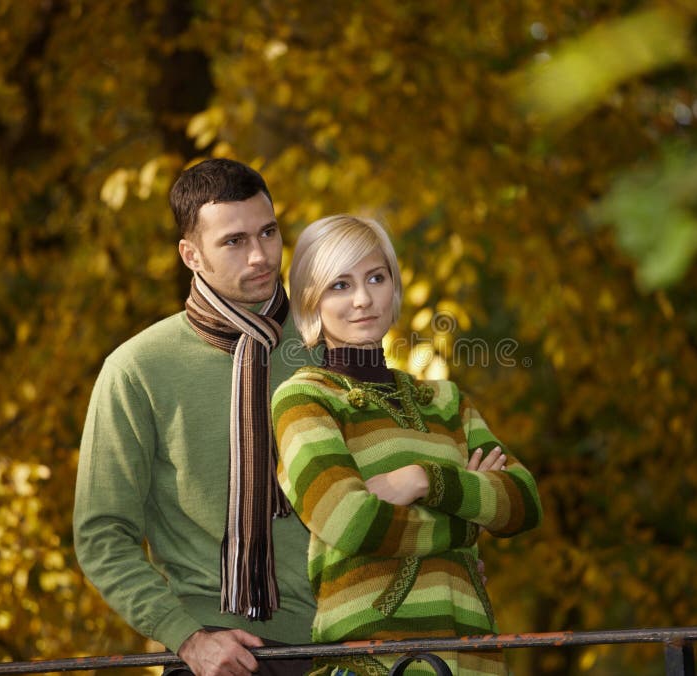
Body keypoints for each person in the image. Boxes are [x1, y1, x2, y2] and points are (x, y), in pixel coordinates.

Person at [73, 158, 317, 676]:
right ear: (192, 255)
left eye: (268, 232)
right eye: (234, 241)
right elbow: (102, 533)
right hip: (219, 654)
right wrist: (184, 637)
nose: (260, 256)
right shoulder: (137, 369)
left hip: (346, 639)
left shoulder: (329, 343)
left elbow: (381, 482)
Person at [271, 215, 543, 676]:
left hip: (472, 659)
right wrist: (466, 525)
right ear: (311, 301)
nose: (363, 299)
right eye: (340, 285)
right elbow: (350, 521)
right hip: (373, 660)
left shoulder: (446, 400)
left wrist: (422, 480)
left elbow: (522, 502)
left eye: (376, 278)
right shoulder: (305, 397)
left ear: (394, 289)